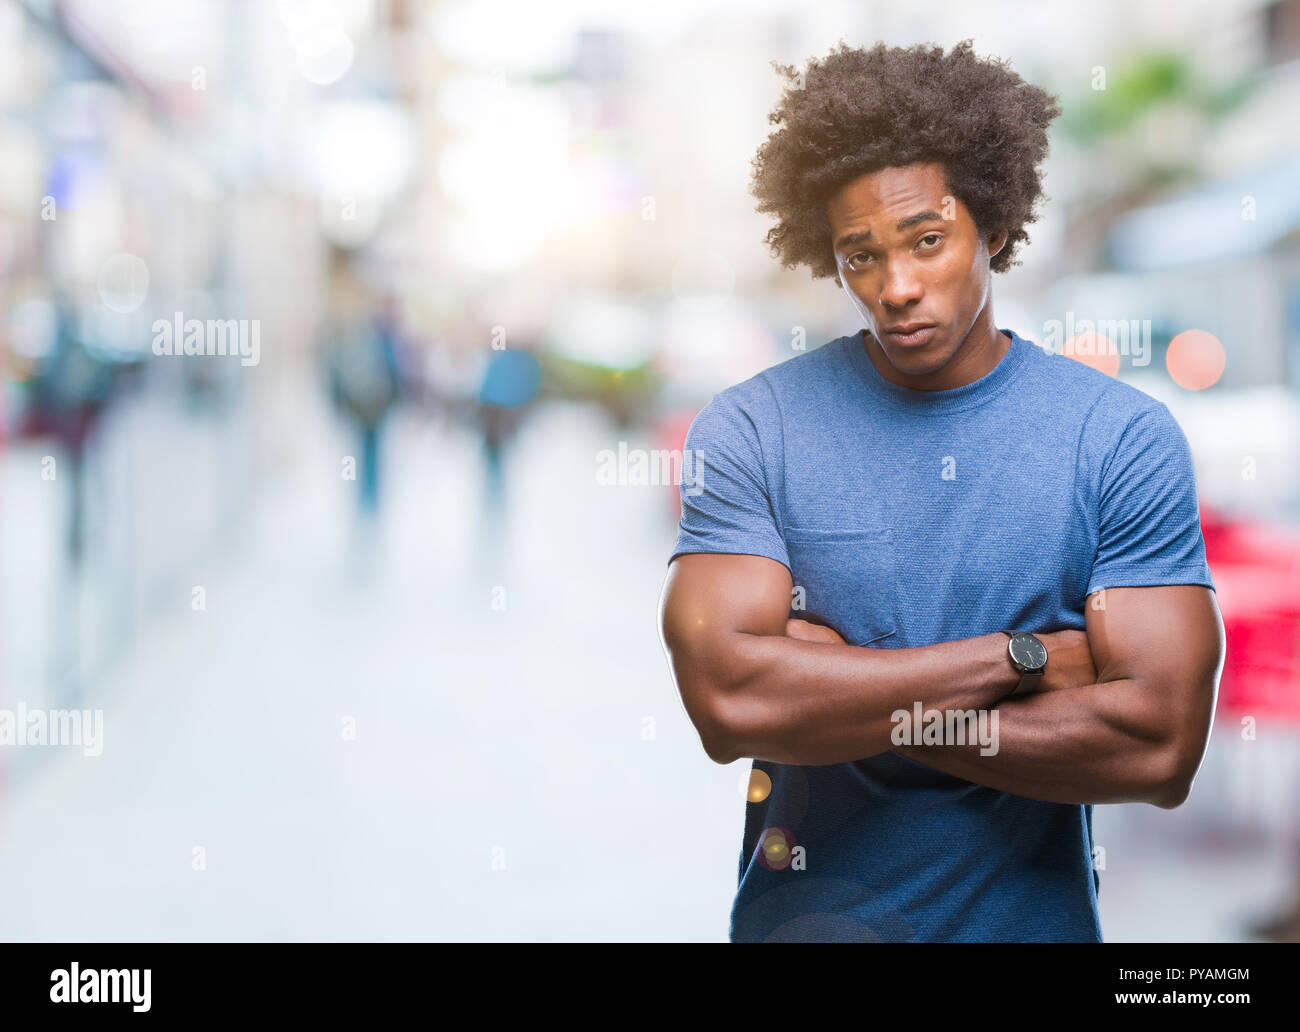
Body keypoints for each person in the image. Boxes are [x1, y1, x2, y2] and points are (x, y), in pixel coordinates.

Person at [657, 40, 1225, 943]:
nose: (897, 287)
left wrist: (846, 689)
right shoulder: (754, 429)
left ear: (992, 227)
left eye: (927, 239)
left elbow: (1158, 747)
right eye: (861, 256)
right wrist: (1023, 662)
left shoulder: (1116, 438)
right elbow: (732, 706)